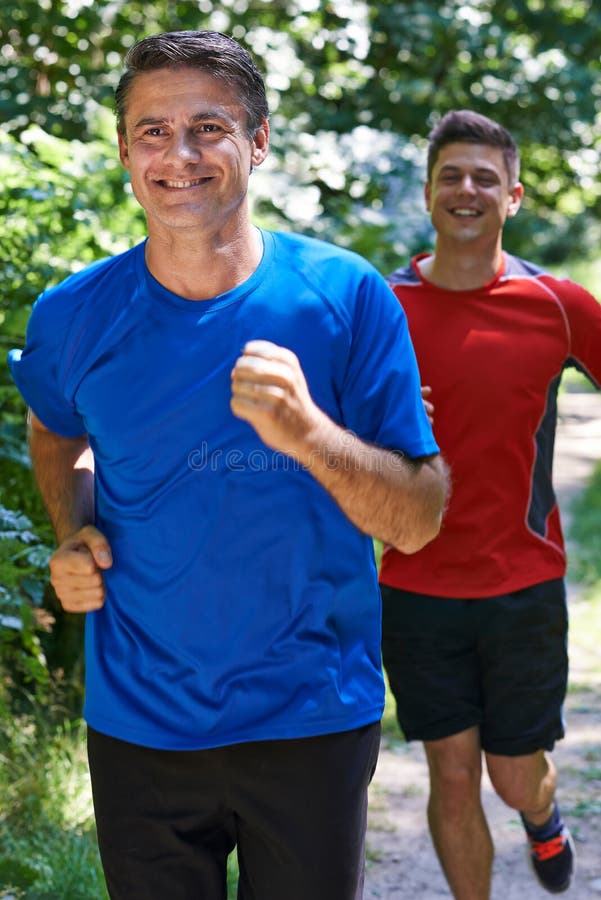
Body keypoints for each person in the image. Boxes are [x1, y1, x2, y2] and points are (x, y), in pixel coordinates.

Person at [8, 30, 448, 900]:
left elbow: (419, 517)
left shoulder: (345, 296)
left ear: (258, 142)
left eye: (209, 127)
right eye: (152, 130)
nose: (178, 155)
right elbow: (53, 429)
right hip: (139, 718)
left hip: (310, 712)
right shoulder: (72, 314)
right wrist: (74, 531)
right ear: (125, 149)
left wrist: (308, 434)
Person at [379, 108, 601, 898]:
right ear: (429, 193)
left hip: (521, 584)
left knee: (511, 775)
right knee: (449, 773)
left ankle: (541, 818)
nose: (465, 190)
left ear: (510, 197)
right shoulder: (381, 307)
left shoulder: (559, 304)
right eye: (450, 175)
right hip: (410, 585)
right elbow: (330, 433)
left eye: (483, 177)